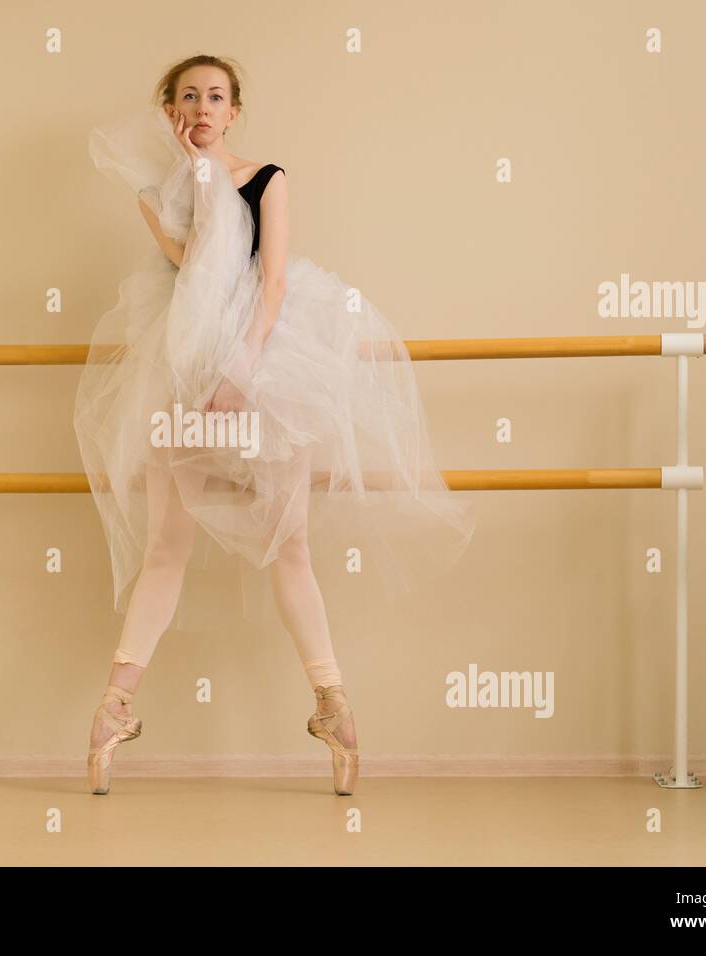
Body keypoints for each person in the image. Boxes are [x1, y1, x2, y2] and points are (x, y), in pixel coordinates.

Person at [75, 54, 476, 796]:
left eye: (215, 96)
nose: (201, 106)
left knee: (287, 543)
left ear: (234, 111)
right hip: (184, 366)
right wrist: (191, 177)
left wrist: (241, 374)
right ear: (170, 112)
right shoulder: (159, 192)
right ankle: (114, 710)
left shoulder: (267, 178)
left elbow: (273, 281)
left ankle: (333, 707)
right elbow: (195, 267)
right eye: (187, 96)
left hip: (267, 364)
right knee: (168, 543)